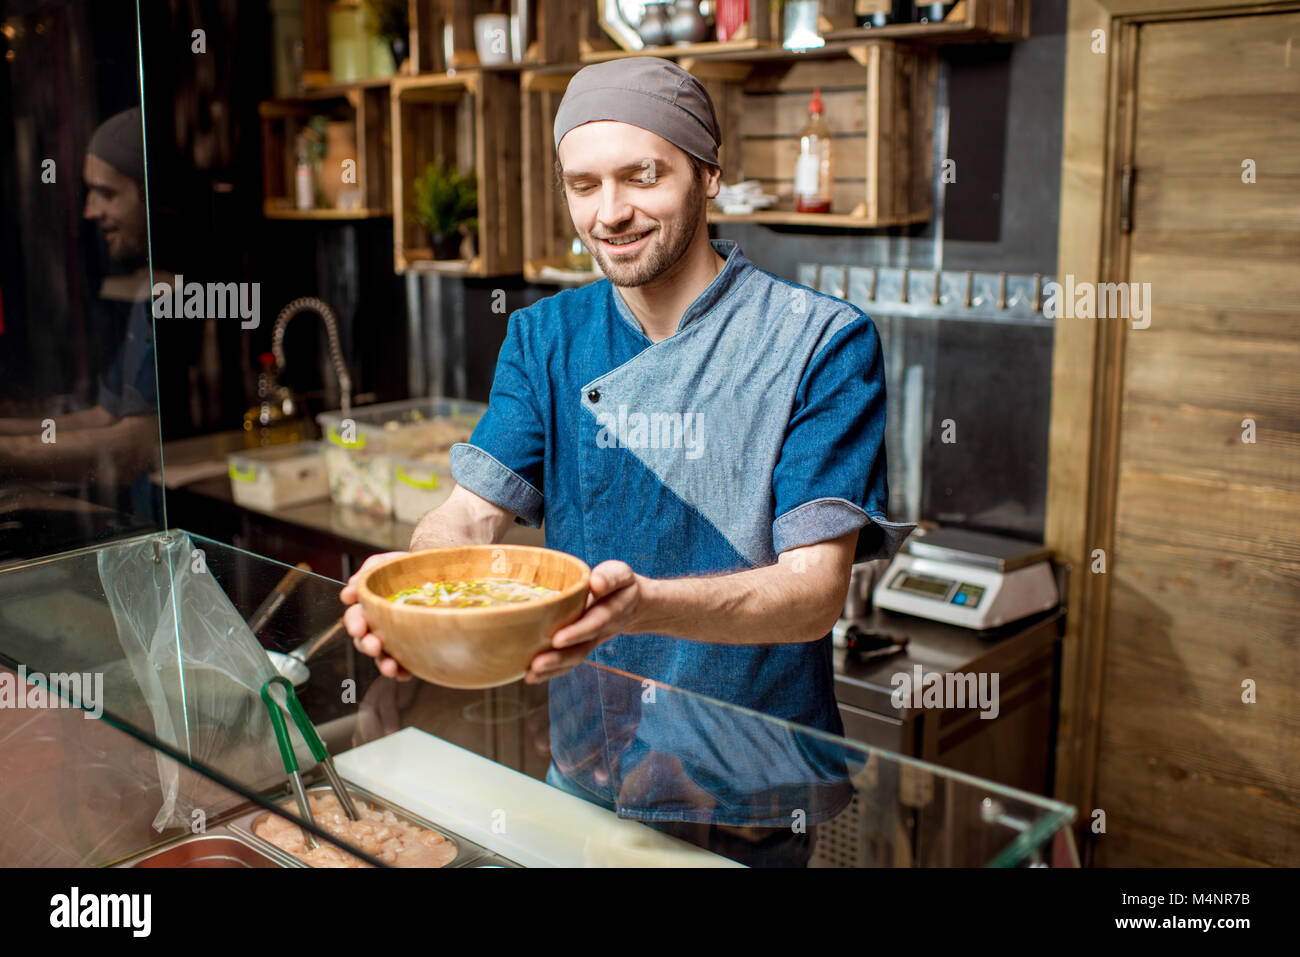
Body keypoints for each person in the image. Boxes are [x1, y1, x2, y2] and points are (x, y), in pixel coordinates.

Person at [341, 58, 912, 864]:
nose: (609, 213)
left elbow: (814, 593)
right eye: (583, 185)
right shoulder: (546, 339)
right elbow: (469, 512)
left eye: (642, 176)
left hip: (746, 799)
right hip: (586, 770)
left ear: (709, 173)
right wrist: (417, 596)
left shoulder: (818, 342)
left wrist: (638, 604)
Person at [0, 107, 161, 521]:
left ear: (150, 192)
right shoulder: (151, 289)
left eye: (107, 193)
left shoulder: (189, 295)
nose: (90, 211)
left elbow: (132, 449)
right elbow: (105, 416)